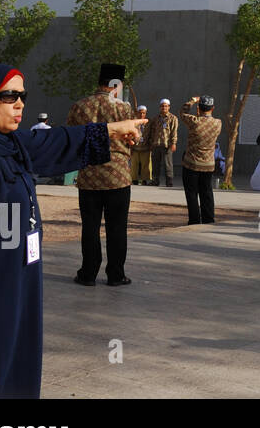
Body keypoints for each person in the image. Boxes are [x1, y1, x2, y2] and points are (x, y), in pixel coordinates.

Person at [0, 63, 144, 397]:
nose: (19, 103)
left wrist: (110, 129)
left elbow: (52, 141)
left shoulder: (6, 144)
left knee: (14, 375)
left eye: (22, 95)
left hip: (16, 289)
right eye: (8, 95)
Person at [67, 64, 136, 287]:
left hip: (89, 176)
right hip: (117, 176)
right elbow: (132, 139)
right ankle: (116, 275)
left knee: (90, 227)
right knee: (117, 227)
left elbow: (71, 137)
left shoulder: (80, 106)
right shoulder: (123, 108)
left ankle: (88, 274)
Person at [179, 95, 222, 224]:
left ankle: (194, 220)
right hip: (208, 165)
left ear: (199, 108)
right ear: (212, 108)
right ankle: (209, 219)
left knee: (192, 193)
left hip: (191, 164)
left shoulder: (193, 121)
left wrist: (192, 101)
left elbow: (182, 112)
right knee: (207, 192)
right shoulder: (218, 123)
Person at [146, 98, 178, 188]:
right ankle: (155, 180)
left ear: (169, 107)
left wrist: (174, 143)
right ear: (160, 107)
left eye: (166, 106)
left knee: (168, 164)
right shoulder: (155, 118)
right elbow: (152, 131)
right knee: (155, 164)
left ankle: (169, 182)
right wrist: (151, 142)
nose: (164, 107)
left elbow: (174, 131)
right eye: (162, 106)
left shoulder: (173, 118)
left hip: (167, 144)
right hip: (156, 144)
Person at [130, 104, 153, 185]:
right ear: (137, 113)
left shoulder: (149, 122)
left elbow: (152, 133)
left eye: (143, 113)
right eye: (140, 113)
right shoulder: (133, 122)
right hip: (135, 147)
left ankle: (145, 180)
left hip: (145, 147)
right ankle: (134, 179)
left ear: (145, 113)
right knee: (134, 165)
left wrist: (150, 145)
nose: (142, 115)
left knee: (146, 165)